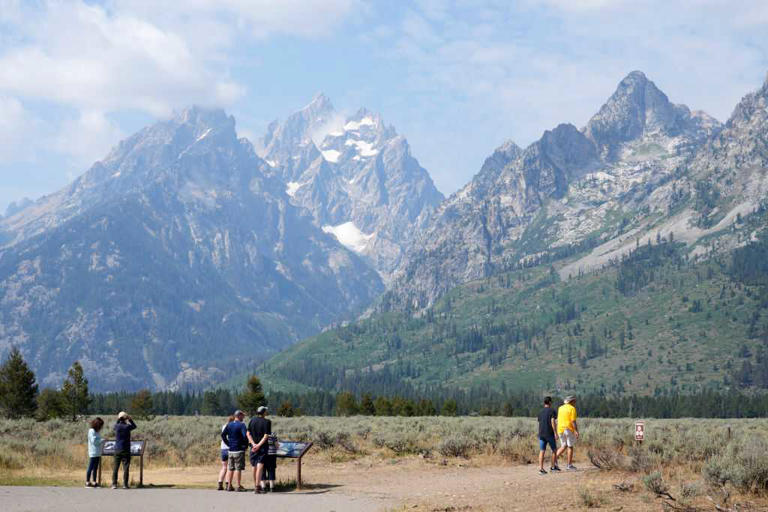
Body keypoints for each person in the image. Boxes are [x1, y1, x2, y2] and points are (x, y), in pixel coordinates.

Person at [221, 410, 248, 492]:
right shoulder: (242, 425)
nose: (243, 417)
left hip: (231, 450)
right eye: (242, 415)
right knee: (238, 468)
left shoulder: (229, 424)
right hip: (239, 449)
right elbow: (245, 436)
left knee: (230, 468)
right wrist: (245, 445)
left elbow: (223, 435)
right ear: (239, 416)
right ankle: (238, 485)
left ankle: (229, 485)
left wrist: (228, 443)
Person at [246, 406, 270, 494]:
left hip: (253, 447)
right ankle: (257, 486)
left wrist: (253, 444)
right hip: (262, 447)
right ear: (264, 412)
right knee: (260, 466)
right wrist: (259, 445)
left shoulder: (252, 420)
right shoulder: (267, 422)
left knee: (254, 466)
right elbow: (266, 436)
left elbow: (248, 433)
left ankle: (255, 486)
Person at [112, 412, 137, 489]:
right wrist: (130, 419)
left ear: (119, 418)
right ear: (125, 418)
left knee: (115, 467)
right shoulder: (127, 427)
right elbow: (134, 426)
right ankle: (125, 484)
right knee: (126, 468)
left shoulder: (117, 426)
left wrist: (118, 419)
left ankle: (114, 484)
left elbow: (114, 426)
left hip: (117, 449)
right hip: (126, 449)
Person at [555, 396, 579, 471]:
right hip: (568, 429)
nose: (575, 403)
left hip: (560, 429)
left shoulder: (560, 408)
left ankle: (553, 461)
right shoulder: (572, 408)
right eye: (574, 401)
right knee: (570, 446)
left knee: (563, 446)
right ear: (571, 401)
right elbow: (573, 421)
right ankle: (569, 465)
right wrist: (576, 430)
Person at [536, 397, 559, 475]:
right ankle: (553, 467)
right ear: (549, 402)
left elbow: (539, 422)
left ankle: (541, 469)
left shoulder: (540, 411)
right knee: (554, 450)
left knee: (542, 451)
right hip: (549, 433)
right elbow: (553, 422)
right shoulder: (552, 411)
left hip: (541, 433)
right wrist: (555, 433)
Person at [217, 414, 235, 491]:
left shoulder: (224, 426)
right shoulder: (232, 426)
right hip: (230, 448)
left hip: (223, 448)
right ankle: (228, 484)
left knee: (224, 467)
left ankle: (220, 483)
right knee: (229, 467)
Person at [86, 417, 104, 487]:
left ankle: (94, 481)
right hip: (93, 452)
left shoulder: (97, 432)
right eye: (101, 425)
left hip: (98, 452)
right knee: (91, 467)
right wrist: (102, 440)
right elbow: (94, 441)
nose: (101, 427)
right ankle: (87, 481)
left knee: (95, 468)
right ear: (97, 424)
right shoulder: (91, 431)